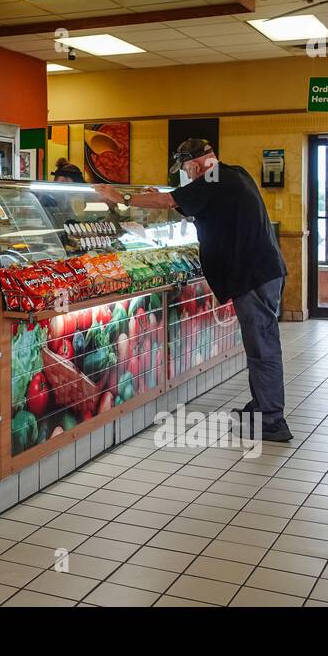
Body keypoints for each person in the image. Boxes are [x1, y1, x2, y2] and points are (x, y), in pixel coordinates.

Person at [99, 139, 292, 442]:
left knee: (261, 347)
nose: (186, 173)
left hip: (253, 277)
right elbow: (189, 204)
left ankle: (271, 419)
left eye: (186, 168)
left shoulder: (213, 179)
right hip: (262, 272)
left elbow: (169, 201)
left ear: (195, 162)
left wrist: (121, 196)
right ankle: (262, 407)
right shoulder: (232, 174)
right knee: (260, 344)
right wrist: (161, 198)